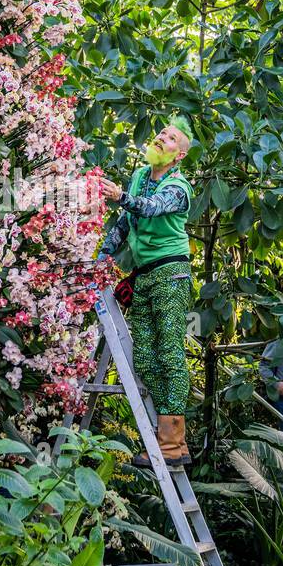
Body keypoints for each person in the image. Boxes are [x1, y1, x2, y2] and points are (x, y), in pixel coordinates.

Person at [99, 117, 194, 468]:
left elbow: (150, 208)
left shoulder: (179, 187)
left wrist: (121, 197)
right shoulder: (140, 177)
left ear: (178, 155)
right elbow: (124, 222)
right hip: (144, 275)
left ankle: (173, 443)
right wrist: (102, 256)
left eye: (170, 138)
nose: (161, 137)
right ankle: (169, 436)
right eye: (161, 132)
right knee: (146, 358)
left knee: (170, 352)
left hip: (171, 272)